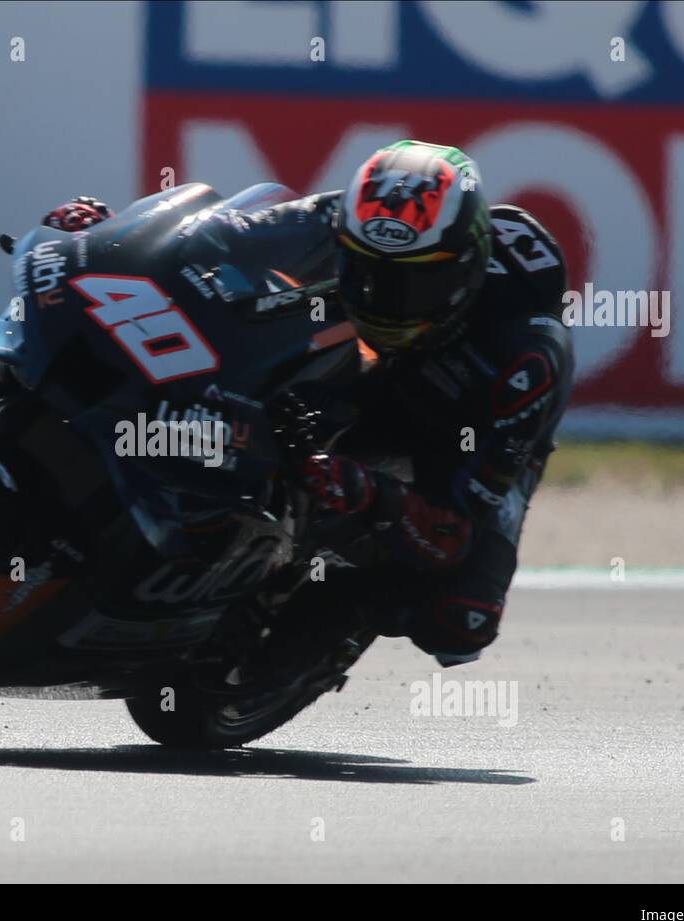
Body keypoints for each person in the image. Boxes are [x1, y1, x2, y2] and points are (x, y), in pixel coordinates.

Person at [40, 140, 574, 668]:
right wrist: (109, 240)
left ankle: (342, 609)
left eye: (412, 283)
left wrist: (371, 493)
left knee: (460, 622)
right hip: (368, 371)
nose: (381, 298)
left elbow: (455, 529)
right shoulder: (344, 218)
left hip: (467, 429)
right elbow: (217, 239)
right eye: (365, 271)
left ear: (466, 269)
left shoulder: (525, 362)